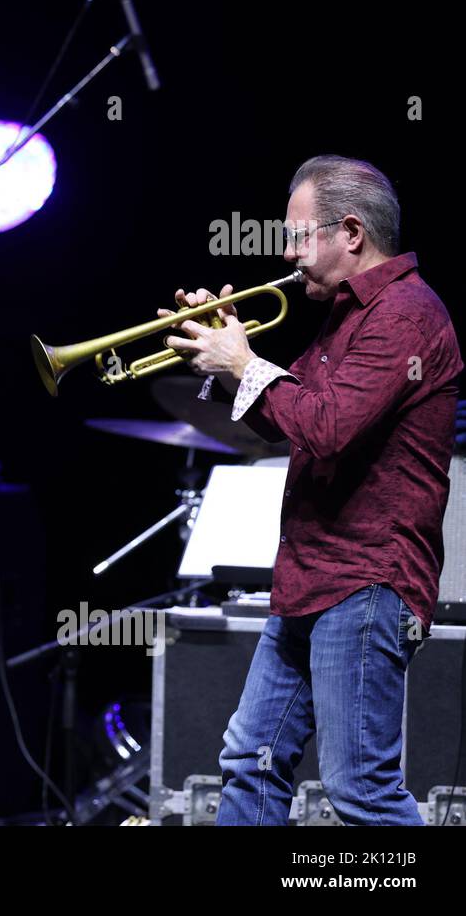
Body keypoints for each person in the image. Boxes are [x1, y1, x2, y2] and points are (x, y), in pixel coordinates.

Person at [164, 155, 461, 825]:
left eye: (299, 235)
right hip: (311, 577)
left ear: (350, 233)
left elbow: (325, 429)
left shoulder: (405, 316)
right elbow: (284, 419)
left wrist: (245, 364)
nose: (288, 252)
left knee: (361, 791)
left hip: (366, 581)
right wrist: (215, 353)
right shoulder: (347, 318)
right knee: (250, 760)